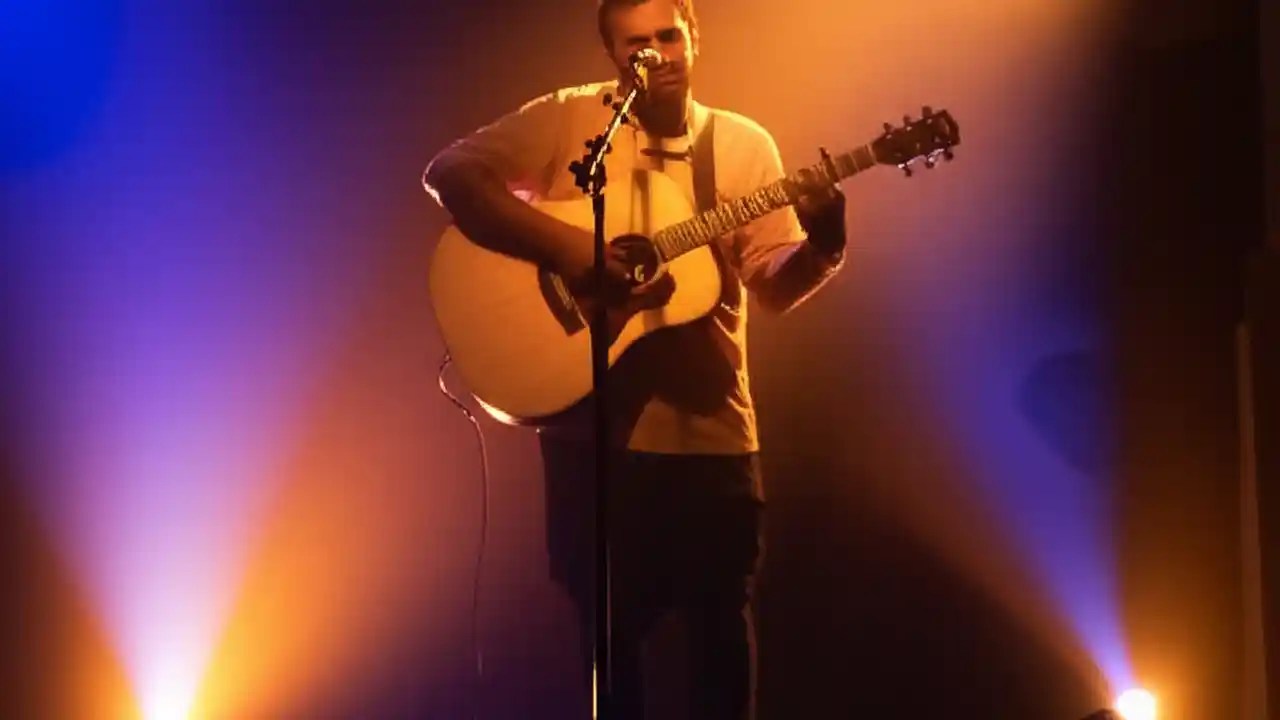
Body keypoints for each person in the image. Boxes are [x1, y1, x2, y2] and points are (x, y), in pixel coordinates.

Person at [423, 1, 847, 717]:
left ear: (694, 38)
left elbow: (774, 286)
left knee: (720, 643)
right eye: (636, 44)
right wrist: (573, 252)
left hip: (713, 438)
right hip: (592, 442)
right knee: (609, 648)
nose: (657, 55)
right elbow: (452, 174)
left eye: (669, 37)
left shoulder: (743, 146)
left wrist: (825, 244)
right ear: (613, 55)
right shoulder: (571, 120)